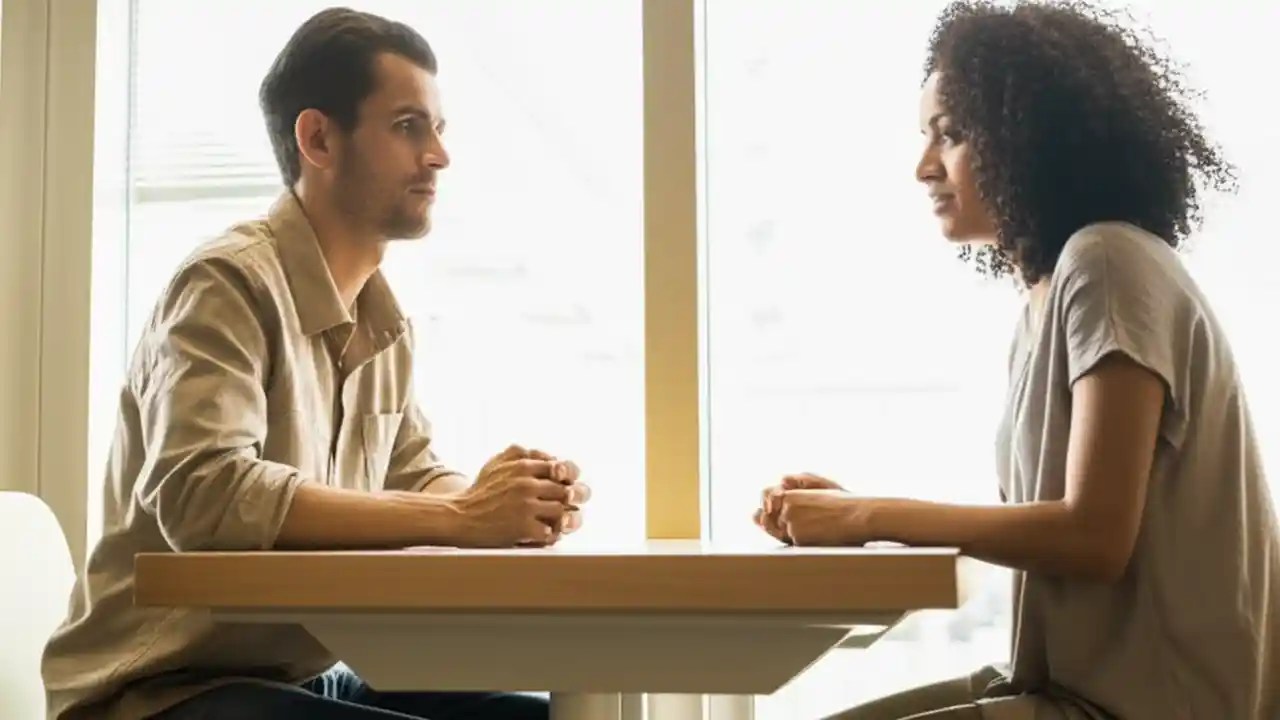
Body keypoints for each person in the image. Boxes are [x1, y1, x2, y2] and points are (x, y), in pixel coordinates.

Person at [41, 8, 589, 720]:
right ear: (318, 138)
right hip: (160, 691)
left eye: (439, 129)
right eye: (406, 127)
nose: (438, 156)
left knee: (558, 716)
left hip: (299, 676)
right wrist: (461, 513)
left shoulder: (382, 320)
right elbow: (204, 494)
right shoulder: (225, 285)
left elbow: (413, 477)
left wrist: (513, 502)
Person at [755, 2, 1278, 719]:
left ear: (1029, 140)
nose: (923, 167)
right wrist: (854, 511)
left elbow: (1094, 537)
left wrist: (868, 515)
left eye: (953, 135)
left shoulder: (1109, 261)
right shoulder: (1052, 295)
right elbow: (1052, 527)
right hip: (1059, 688)